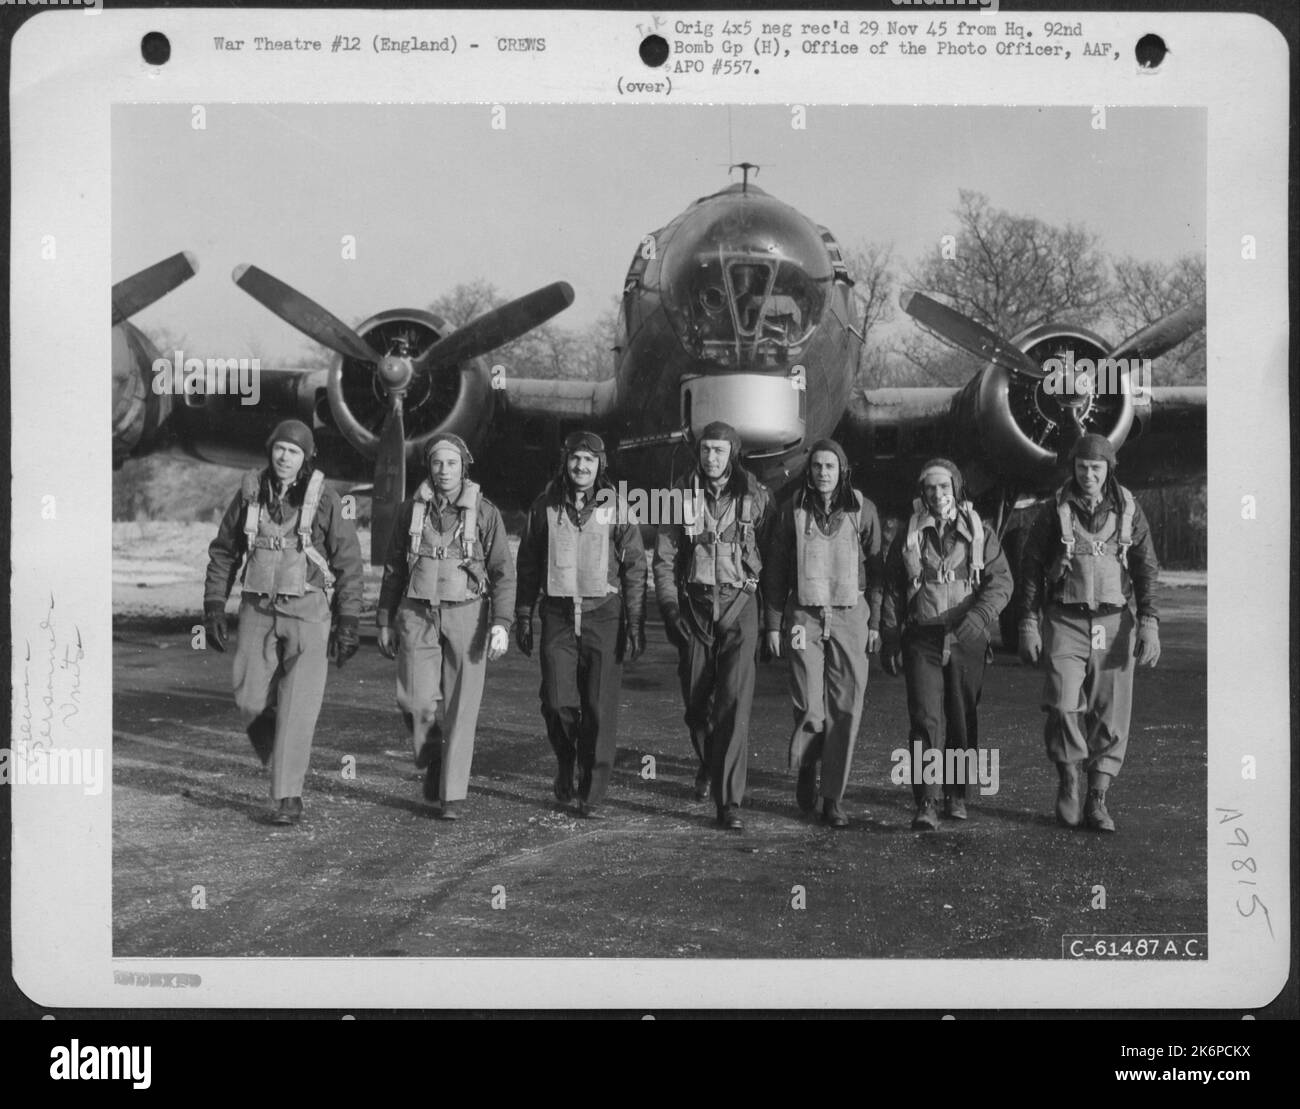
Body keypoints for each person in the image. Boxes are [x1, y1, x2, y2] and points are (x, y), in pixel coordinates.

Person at [203, 419, 364, 826]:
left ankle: (288, 795)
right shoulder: (250, 494)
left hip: (308, 611)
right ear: (269, 450)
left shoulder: (326, 499)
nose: (283, 456)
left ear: (306, 458)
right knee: (248, 697)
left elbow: (348, 565)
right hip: (257, 609)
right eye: (278, 448)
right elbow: (224, 551)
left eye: (293, 451)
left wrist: (348, 621)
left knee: (298, 709)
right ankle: (283, 761)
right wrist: (214, 605)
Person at [1017, 433, 1161, 833]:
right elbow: (1030, 567)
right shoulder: (1053, 510)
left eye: (1096, 468)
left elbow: (1146, 568)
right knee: (1062, 705)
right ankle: (1068, 776)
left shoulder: (1129, 509)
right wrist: (1028, 623)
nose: (1088, 475)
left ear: (1108, 469)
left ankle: (1097, 798)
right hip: (1066, 619)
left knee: (1111, 713)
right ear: (1073, 467)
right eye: (1082, 467)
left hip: (1114, 622)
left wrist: (1149, 622)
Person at [376, 434, 515, 820]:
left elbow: (504, 572)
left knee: (461, 708)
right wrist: (385, 619)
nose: (443, 471)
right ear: (429, 467)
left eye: (451, 463)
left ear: (463, 467)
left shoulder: (486, 513)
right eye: (437, 463)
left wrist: (502, 623)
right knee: (413, 700)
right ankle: (434, 754)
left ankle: (452, 795)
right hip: (417, 612)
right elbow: (393, 568)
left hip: (468, 613)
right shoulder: (410, 511)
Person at [514, 431, 647, 818]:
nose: (581, 466)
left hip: (603, 613)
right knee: (557, 702)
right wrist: (524, 614)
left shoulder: (617, 508)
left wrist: (635, 622)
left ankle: (592, 791)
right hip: (556, 614)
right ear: (565, 460)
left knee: (599, 708)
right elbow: (528, 564)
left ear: (600, 465)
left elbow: (635, 566)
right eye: (575, 458)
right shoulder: (544, 507)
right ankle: (566, 759)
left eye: (590, 460)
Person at [653, 421, 774, 831]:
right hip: (695, 606)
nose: (712, 458)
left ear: (732, 453)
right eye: (706, 450)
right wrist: (669, 609)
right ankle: (709, 763)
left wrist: (773, 618)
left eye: (720, 451)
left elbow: (774, 554)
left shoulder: (757, 496)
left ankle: (729, 801)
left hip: (741, 604)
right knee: (695, 704)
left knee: (733, 706)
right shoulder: (677, 497)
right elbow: (665, 558)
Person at [880, 459, 1012, 831]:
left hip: (966, 633)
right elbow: (891, 588)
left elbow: (1001, 581)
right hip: (922, 633)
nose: (938, 495)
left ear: (955, 489)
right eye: (930, 488)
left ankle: (956, 794)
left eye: (944, 487)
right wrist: (889, 637)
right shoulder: (910, 534)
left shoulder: (979, 531)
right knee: (924, 718)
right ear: (922, 493)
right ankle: (926, 801)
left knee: (961, 717)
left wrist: (980, 618)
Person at [762, 439, 884, 828]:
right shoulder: (791, 510)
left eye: (830, 466)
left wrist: (877, 623)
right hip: (804, 614)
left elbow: (879, 571)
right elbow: (777, 569)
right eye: (816, 466)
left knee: (846, 709)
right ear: (809, 470)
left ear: (842, 470)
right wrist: (772, 622)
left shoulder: (864, 511)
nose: (823, 473)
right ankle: (807, 764)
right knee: (809, 703)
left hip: (852, 614)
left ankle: (832, 797)